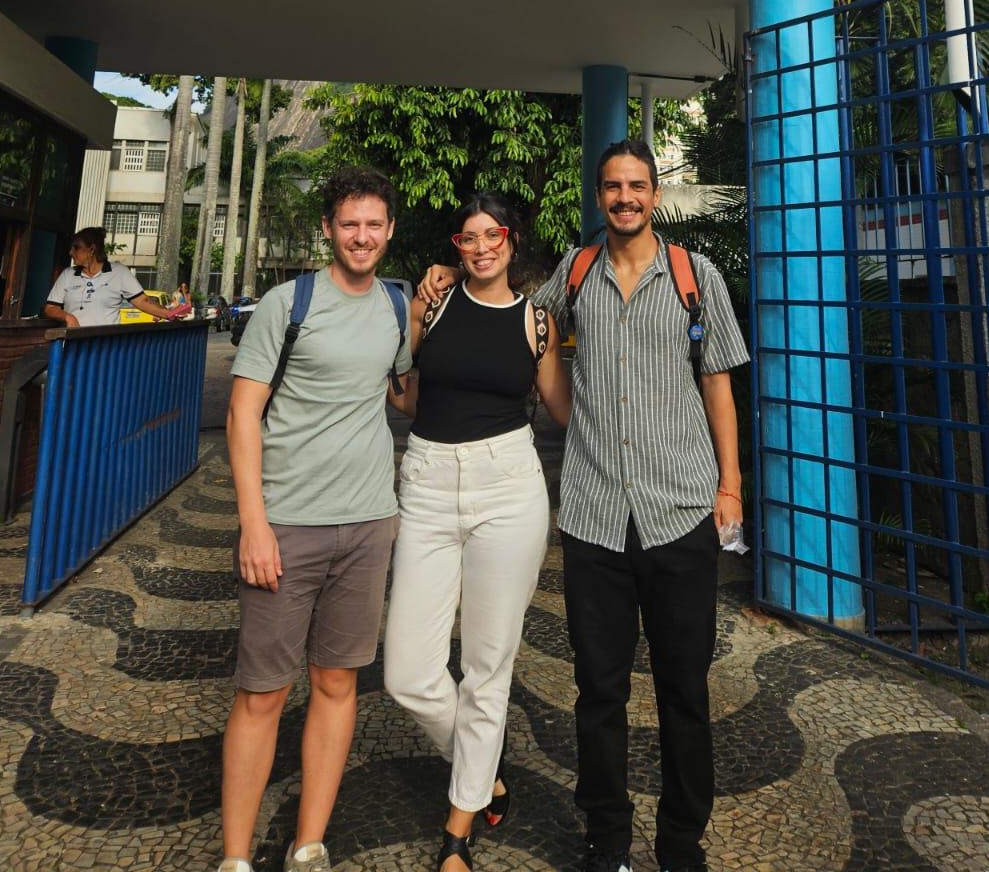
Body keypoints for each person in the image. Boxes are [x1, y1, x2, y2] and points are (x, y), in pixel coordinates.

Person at [420, 140, 748, 872]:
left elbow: (719, 382)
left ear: (655, 194)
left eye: (636, 186)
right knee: (597, 691)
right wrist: (447, 274)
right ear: (598, 197)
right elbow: (508, 315)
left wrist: (731, 484)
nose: (624, 198)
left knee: (682, 690)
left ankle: (681, 841)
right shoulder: (574, 275)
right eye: (611, 187)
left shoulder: (699, 278)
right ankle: (607, 838)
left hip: (681, 510)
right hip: (596, 515)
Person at [218, 167, 414, 872]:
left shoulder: (397, 306)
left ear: (389, 232)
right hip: (289, 524)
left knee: (337, 684)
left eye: (374, 225)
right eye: (349, 224)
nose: (361, 236)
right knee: (263, 692)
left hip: (369, 524)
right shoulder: (287, 302)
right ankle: (236, 857)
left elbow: (399, 397)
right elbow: (243, 412)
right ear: (329, 229)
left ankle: (309, 842)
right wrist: (254, 523)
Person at [384, 194, 571, 872]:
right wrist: (409, 318)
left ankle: (457, 835)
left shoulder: (537, 322)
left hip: (508, 486)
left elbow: (561, 410)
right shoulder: (432, 304)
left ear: (512, 241)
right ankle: (486, 770)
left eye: (494, 235)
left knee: (488, 669)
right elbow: (402, 395)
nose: (483, 246)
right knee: (408, 671)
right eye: (469, 237)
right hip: (429, 481)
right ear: (457, 246)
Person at [43, 227, 177, 326]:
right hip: (74, 347)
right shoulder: (67, 274)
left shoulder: (119, 272)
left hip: (106, 346)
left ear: (92, 250)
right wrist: (68, 317)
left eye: (76, 248)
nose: (70, 252)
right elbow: (50, 308)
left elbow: (142, 301)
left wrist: (169, 314)